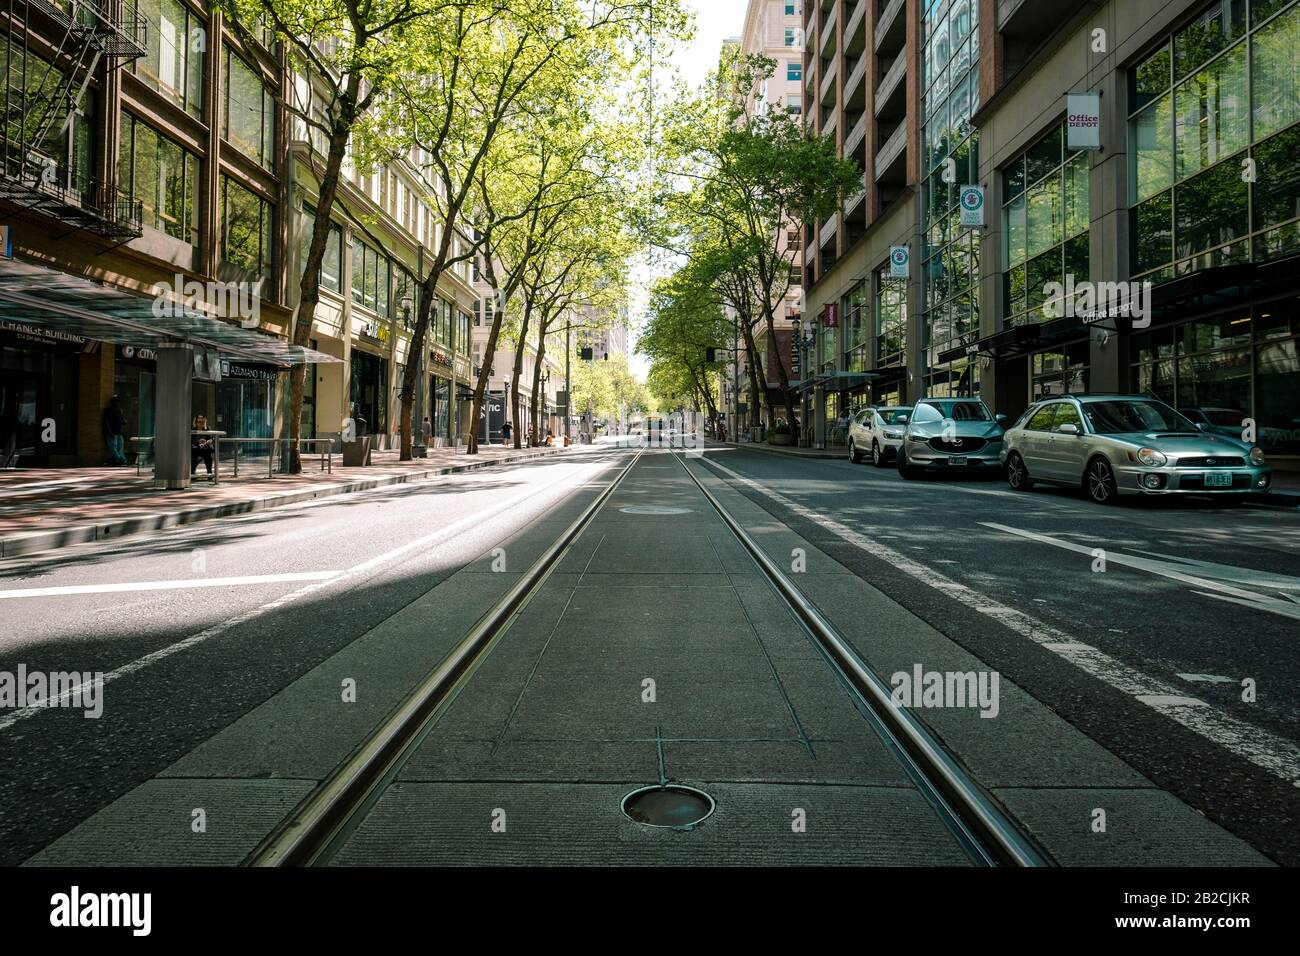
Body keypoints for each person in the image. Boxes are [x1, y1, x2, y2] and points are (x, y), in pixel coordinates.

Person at [102, 395, 127, 466]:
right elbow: (106, 422)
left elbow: (121, 420)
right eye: (116, 402)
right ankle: (118, 459)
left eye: (118, 402)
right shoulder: (109, 410)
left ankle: (121, 459)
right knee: (113, 447)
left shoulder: (119, 410)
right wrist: (110, 432)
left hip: (119, 432)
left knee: (120, 447)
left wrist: (123, 422)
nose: (117, 403)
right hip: (112, 432)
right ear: (112, 402)